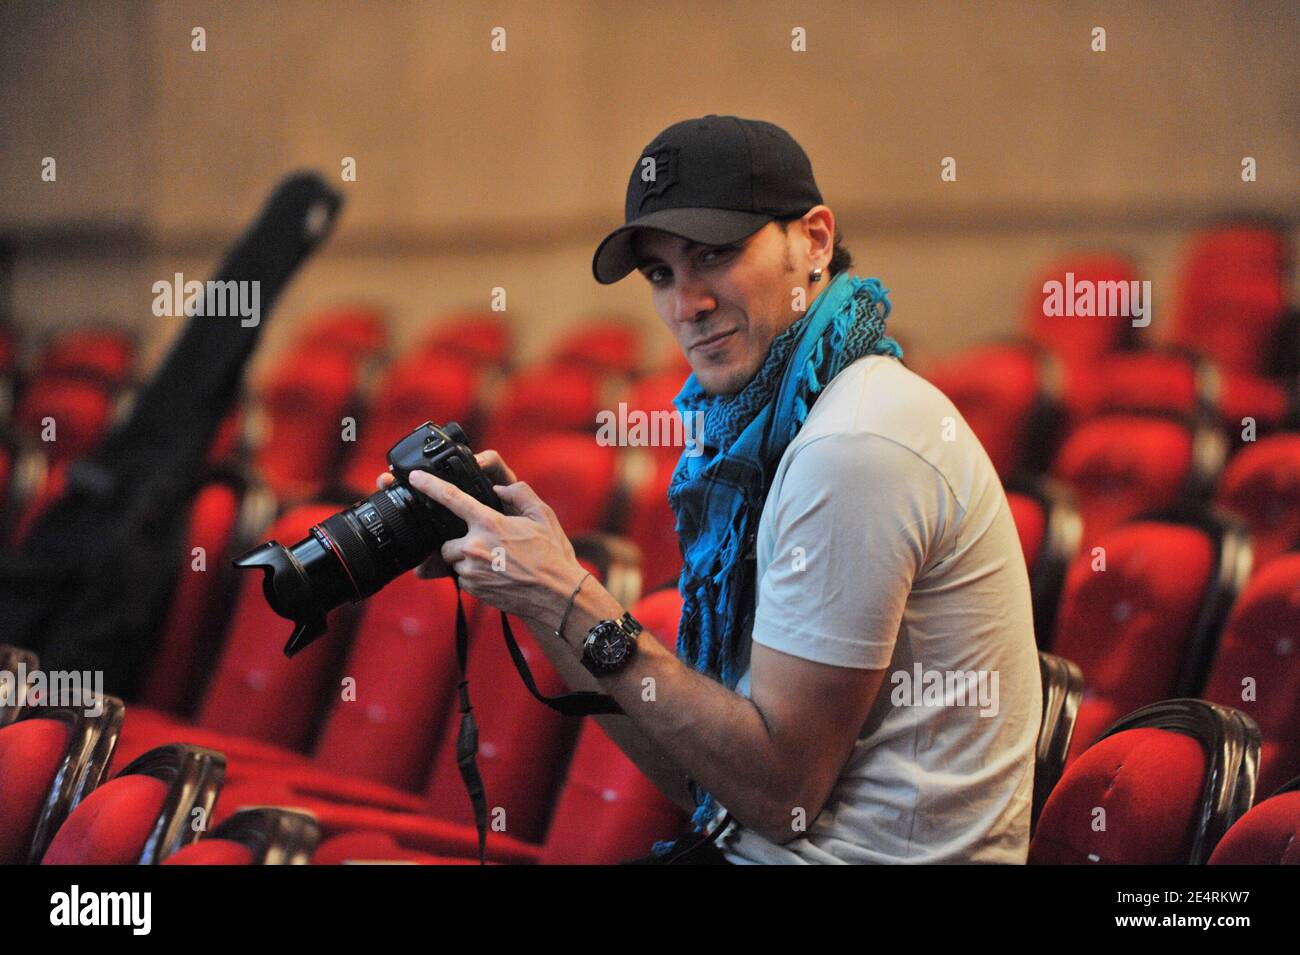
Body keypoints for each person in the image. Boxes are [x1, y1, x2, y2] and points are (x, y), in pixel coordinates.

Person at [382, 115, 1041, 864]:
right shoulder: (779, 431)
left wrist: (570, 594)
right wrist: (534, 591)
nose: (685, 304)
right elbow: (710, 780)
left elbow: (780, 793)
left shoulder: (855, 444)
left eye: (715, 255)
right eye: (661, 273)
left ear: (816, 240)